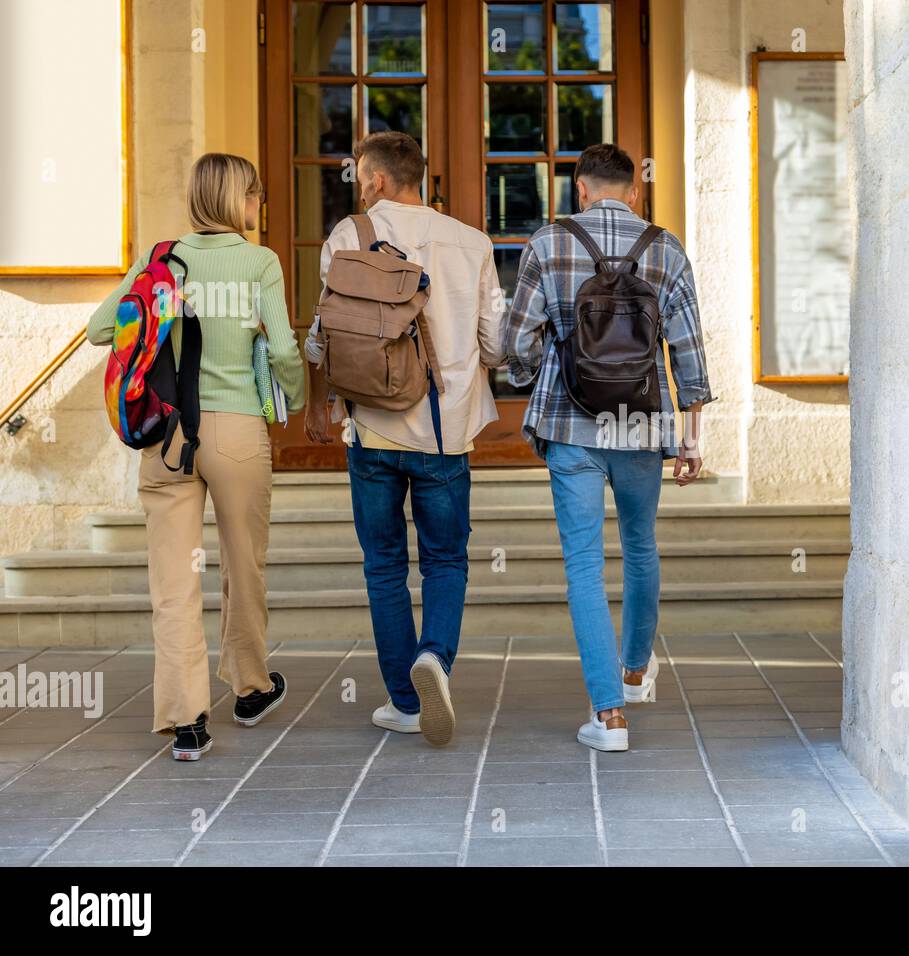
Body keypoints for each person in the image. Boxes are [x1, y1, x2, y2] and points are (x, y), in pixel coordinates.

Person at [86, 153, 305, 760]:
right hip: (236, 432)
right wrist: (299, 397)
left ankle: (186, 723)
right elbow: (285, 350)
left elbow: (101, 330)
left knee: (174, 583)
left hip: (167, 438)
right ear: (240, 200)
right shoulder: (260, 262)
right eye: (256, 195)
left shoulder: (160, 260)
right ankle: (251, 689)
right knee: (244, 566)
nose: (259, 205)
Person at [501, 143, 715, 752]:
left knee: (583, 566)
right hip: (642, 424)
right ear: (635, 192)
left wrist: (541, 374)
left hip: (572, 425)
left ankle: (609, 716)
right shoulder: (665, 248)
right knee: (641, 545)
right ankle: (635, 671)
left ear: (581, 188)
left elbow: (516, 340)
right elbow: (690, 351)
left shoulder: (548, 243)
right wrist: (691, 438)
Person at [304, 131, 504, 747]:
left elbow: (324, 334)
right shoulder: (472, 242)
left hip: (370, 428)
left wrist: (319, 400)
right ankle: (434, 661)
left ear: (377, 180)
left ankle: (403, 702)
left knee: (383, 565)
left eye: (361, 174)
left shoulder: (347, 237)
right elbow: (496, 344)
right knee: (446, 559)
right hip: (444, 435)